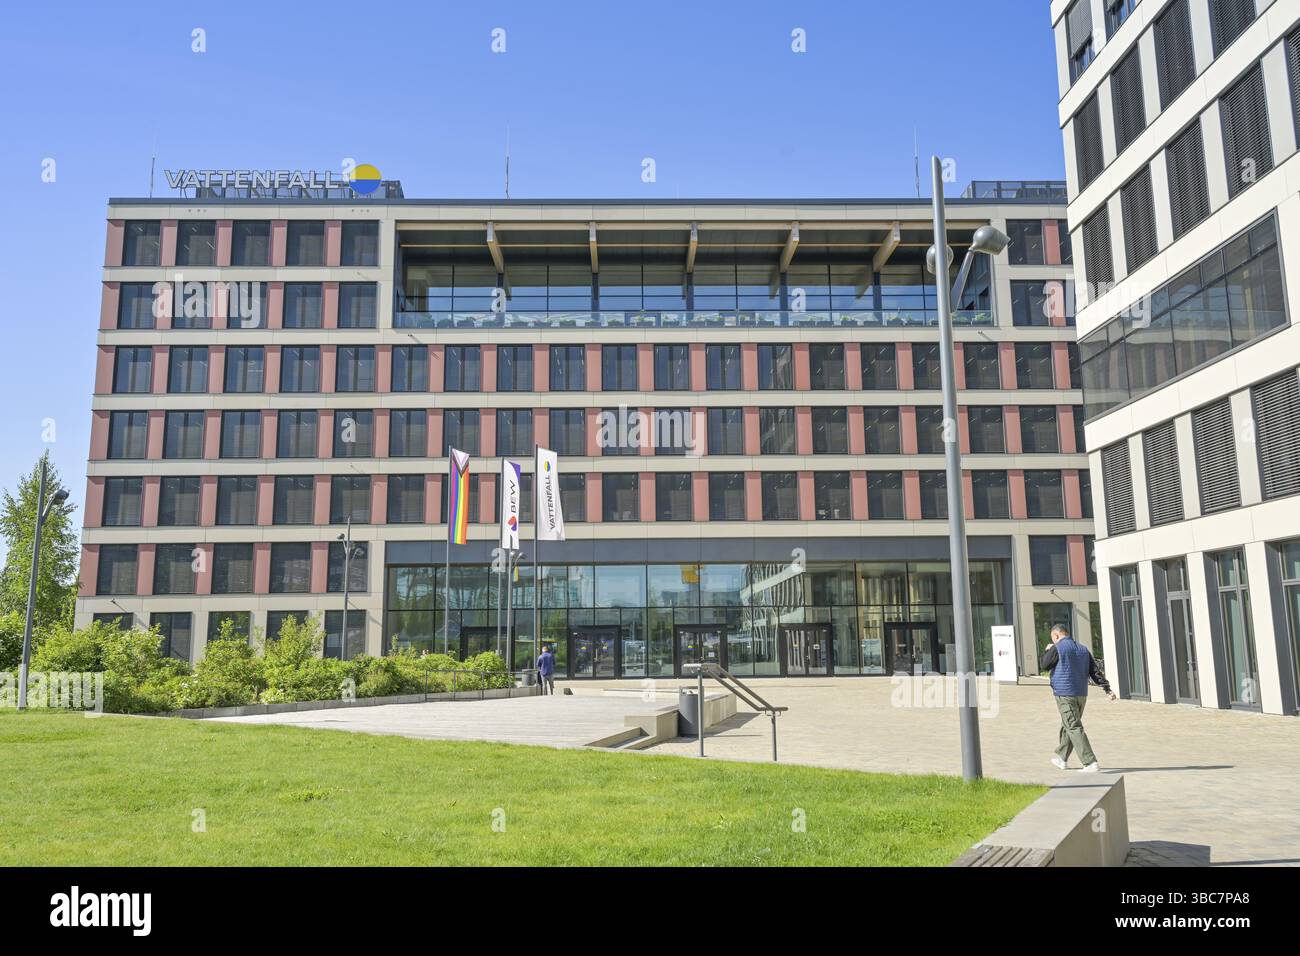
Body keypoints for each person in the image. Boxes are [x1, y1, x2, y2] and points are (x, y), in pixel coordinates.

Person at [1039, 624, 1116, 772]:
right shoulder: (1083, 649)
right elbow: (1095, 672)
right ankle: (1062, 758)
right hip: (1081, 694)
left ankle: (1090, 762)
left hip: (1065, 694)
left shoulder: (1057, 648)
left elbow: (1044, 664)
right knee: (1067, 725)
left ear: (1056, 635)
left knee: (1073, 727)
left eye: (1053, 638)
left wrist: (1047, 650)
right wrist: (1107, 688)